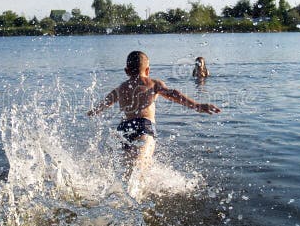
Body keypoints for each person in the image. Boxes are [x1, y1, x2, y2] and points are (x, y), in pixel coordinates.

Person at [88, 51, 221, 177]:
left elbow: (104, 104)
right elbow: (173, 94)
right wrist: (197, 105)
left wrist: (92, 112)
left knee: (127, 169)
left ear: (126, 71)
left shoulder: (121, 87)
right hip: (143, 127)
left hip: (123, 129)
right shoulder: (152, 83)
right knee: (140, 168)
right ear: (148, 70)